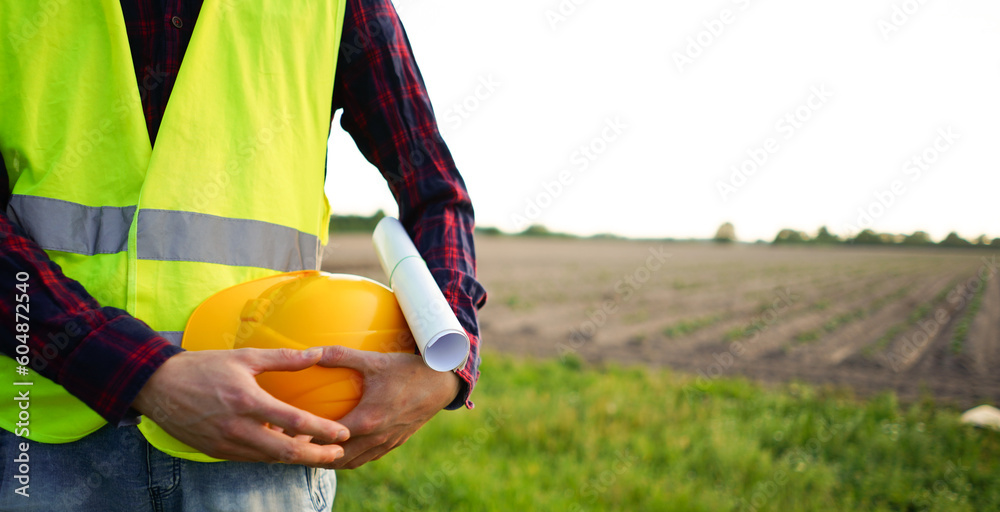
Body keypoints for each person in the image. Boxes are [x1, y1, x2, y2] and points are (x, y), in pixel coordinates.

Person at [0, 0, 487, 510]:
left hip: (270, 443)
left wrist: (446, 365)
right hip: (46, 436)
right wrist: (142, 373)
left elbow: (435, 194)